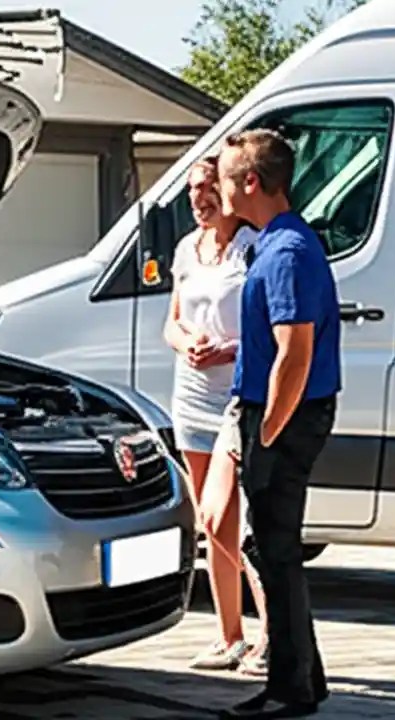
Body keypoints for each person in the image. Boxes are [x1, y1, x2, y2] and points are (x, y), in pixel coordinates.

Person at [208, 129, 341, 720]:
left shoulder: (286, 251)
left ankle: (291, 689)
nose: (218, 184)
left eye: (226, 174)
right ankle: (303, 680)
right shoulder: (274, 243)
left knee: (275, 550)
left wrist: (266, 432)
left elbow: (296, 351)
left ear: (251, 182)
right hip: (273, 412)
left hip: (283, 416)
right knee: (272, 547)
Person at [163, 155, 269, 673]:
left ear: (226, 192)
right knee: (213, 526)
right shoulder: (187, 249)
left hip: (235, 397)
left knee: (237, 518)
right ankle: (230, 636)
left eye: (206, 188)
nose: (198, 199)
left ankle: (271, 637)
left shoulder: (252, 248)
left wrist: (227, 352)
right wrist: (188, 345)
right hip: (190, 396)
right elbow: (173, 323)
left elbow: (266, 327)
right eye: (190, 191)